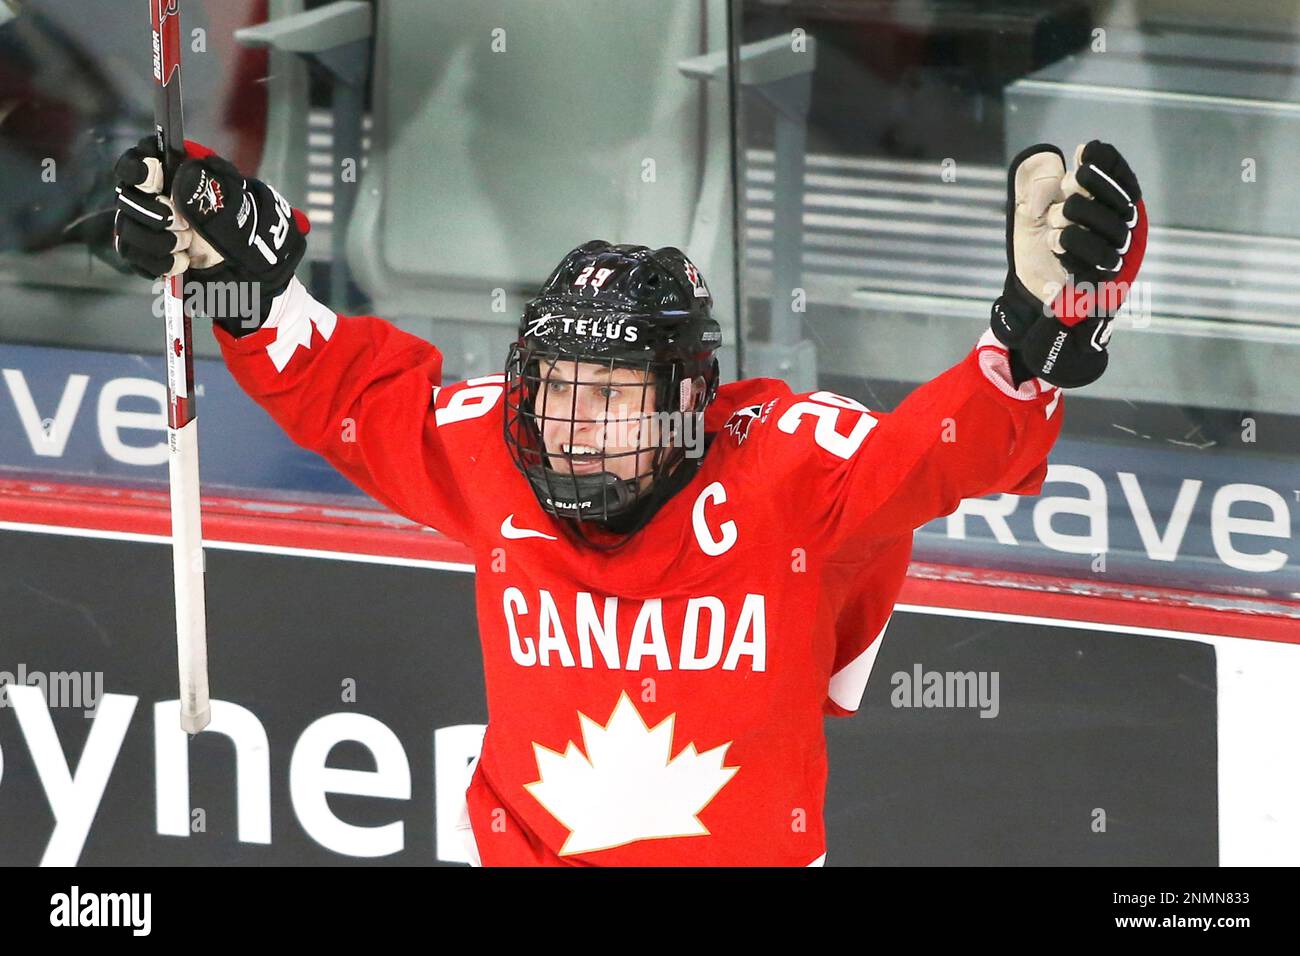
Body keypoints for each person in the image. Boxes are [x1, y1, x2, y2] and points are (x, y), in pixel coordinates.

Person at [112, 137, 1146, 865]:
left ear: (690, 400)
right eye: (557, 390)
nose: (571, 424)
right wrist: (242, 282)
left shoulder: (782, 469)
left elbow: (940, 454)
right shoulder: (497, 452)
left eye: (608, 395)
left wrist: (1034, 338)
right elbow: (351, 394)